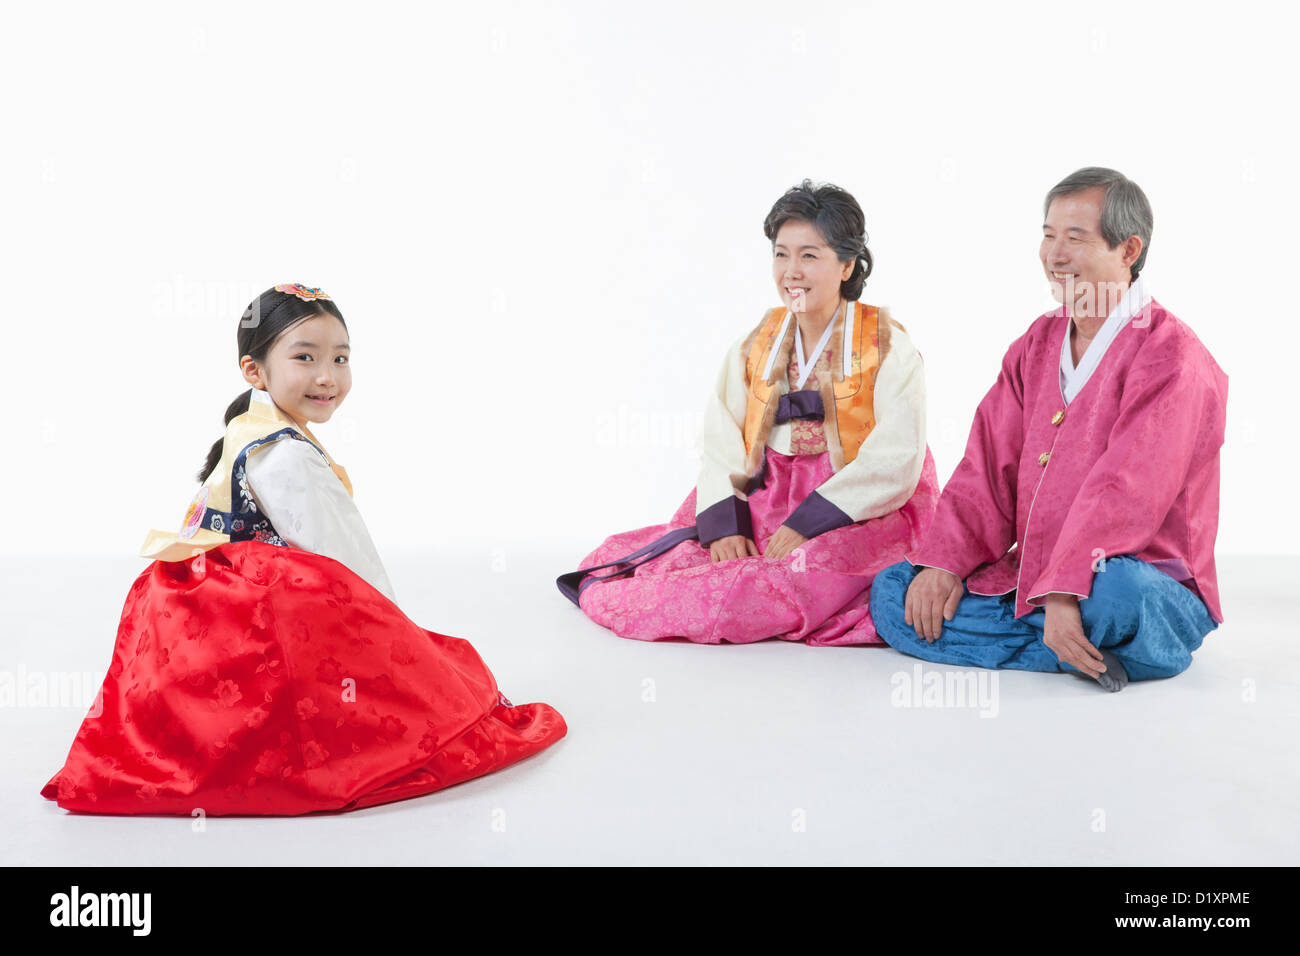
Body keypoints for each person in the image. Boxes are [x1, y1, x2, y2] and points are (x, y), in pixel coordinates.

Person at [42, 283, 566, 815]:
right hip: (243, 627)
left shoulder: (248, 429)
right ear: (254, 370)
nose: (327, 377)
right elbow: (346, 563)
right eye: (305, 357)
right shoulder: (287, 456)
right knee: (405, 682)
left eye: (340, 358)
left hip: (192, 622)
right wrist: (403, 645)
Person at [870, 168, 1229, 691]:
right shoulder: (1036, 344)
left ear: (1129, 250)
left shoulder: (1172, 358)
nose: (1055, 254)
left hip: (1133, 578)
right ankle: (1079, 653)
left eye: (1076, 238)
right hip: (1032, 572)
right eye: (1048, 235)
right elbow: (987, 468)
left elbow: (1128, 489)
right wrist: (947, 562)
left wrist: (1065, 591)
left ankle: (1109, 636)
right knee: (893, 590)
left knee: (1115, 597)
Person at [559, 181, 940, 645]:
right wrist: (726, 524)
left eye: (810, 256)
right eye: (781, 255)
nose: (791, 272)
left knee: (796, 577)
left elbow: (896, 457)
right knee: (690, 562)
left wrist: (808, 523)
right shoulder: (757, 343)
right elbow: (723, 434)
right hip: (767, 488)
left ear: (846, 264)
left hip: (859, 505)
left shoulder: (887, 344)